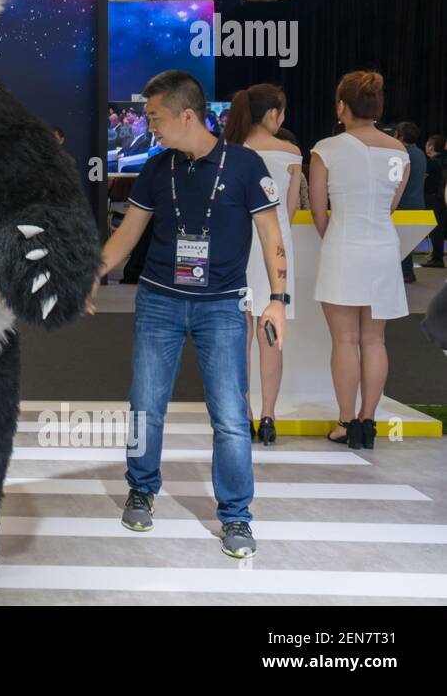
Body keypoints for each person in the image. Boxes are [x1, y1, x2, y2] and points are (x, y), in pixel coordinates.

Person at [87, 71, 288, 560]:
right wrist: (89, 273)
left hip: (222, 305)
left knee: (230, 416)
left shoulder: (244, 166)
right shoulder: (158, 170)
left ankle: (236, 516)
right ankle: (142, 489)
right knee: (144, 404)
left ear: (187, 115)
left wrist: (278, 300)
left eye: (155, 117)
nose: (149, 125)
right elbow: (128, 234)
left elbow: (270, 237)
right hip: (158, 301)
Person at [311, 72, 409, 449]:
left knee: (345, 341)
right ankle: (369, 423)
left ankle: (346, 422)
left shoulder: (327, 149)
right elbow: (392, 204)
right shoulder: (399, 152)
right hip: (384, 249)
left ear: (341, 106)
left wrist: (333, 236)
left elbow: (320, 211)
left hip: (343, 247)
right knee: (374, 340)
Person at [223, 85, 300, 446]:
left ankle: (244, 413)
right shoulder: (292, 153)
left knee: (240, 337)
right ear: (273, 114)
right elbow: (292, 209)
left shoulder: (231, 152)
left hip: (239, 247)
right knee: (273, 337)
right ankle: (269, 416)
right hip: (277, 251)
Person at [393, 122, 426, 282]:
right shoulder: (420, 153)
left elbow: (396, 182)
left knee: (399, 242)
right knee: (406, 241)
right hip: (418, 203)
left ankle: (405, 272)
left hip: (402, 204)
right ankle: (407, 271)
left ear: (401, 136)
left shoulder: (401, 154)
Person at [424, 134, 445, 268]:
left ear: (431, 147)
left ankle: (437, 258)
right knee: (439, 227)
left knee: (435, 229)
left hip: (432, 198)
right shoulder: (443, 161)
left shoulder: (431, 163)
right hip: (442, 198)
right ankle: (437, 256)